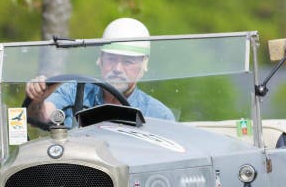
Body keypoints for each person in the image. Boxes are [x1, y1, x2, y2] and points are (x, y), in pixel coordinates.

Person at [25, 18, 175, 128]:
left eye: (128, 62)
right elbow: (40, 116)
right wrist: (38, 97)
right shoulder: (74, 91)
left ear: (144, 65)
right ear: (100, 59)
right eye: (111, 59)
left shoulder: (159, 116)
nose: (117, 68)